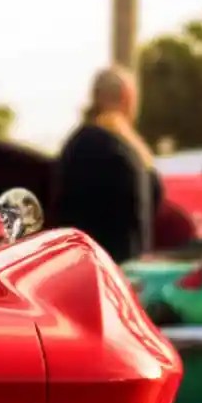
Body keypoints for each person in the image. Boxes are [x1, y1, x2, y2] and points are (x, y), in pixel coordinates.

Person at [53, 66, 164, 262]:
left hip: (79, 265)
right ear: (127, 97)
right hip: (124, 267)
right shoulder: (132, 150)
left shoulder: (75, 144)